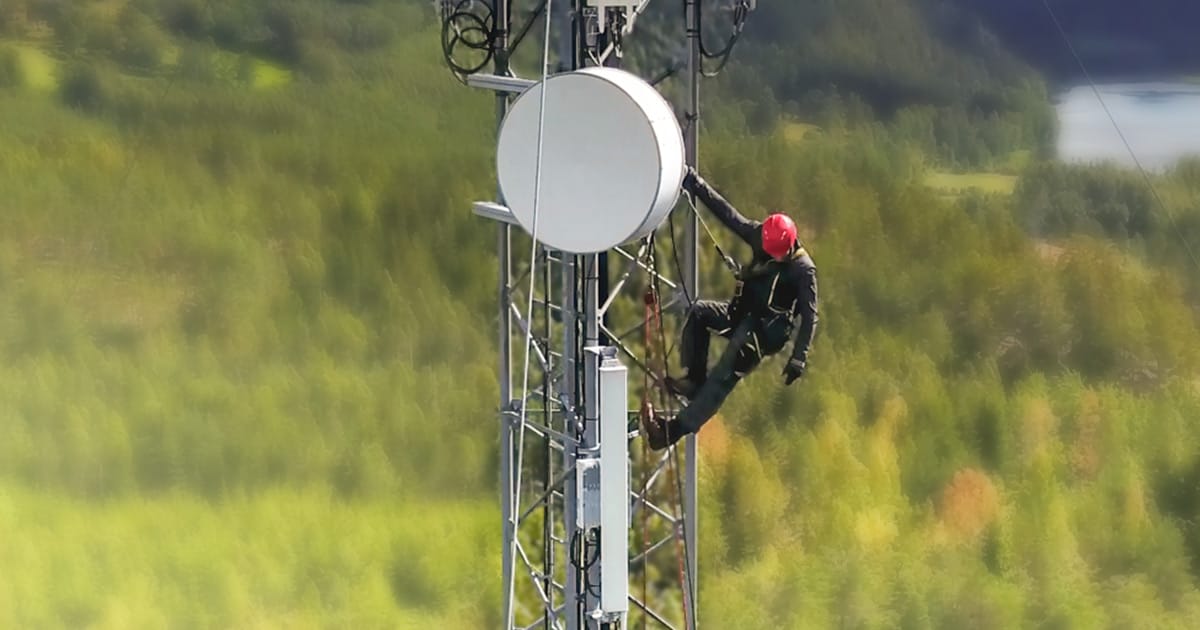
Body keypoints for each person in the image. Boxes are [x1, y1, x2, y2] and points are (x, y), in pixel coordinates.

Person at [643, 166, 819, 450]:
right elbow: (728, 215)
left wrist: (799, 357)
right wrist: (693, 182)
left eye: (778, 254)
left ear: (789, 246)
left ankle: (669, 432)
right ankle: (694, 380)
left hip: (762, 334)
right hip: (742, 314)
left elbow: (810, 316)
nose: (774, 257)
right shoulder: (760, 236)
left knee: (723, 375)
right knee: (700, 313)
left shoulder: (803, 270)